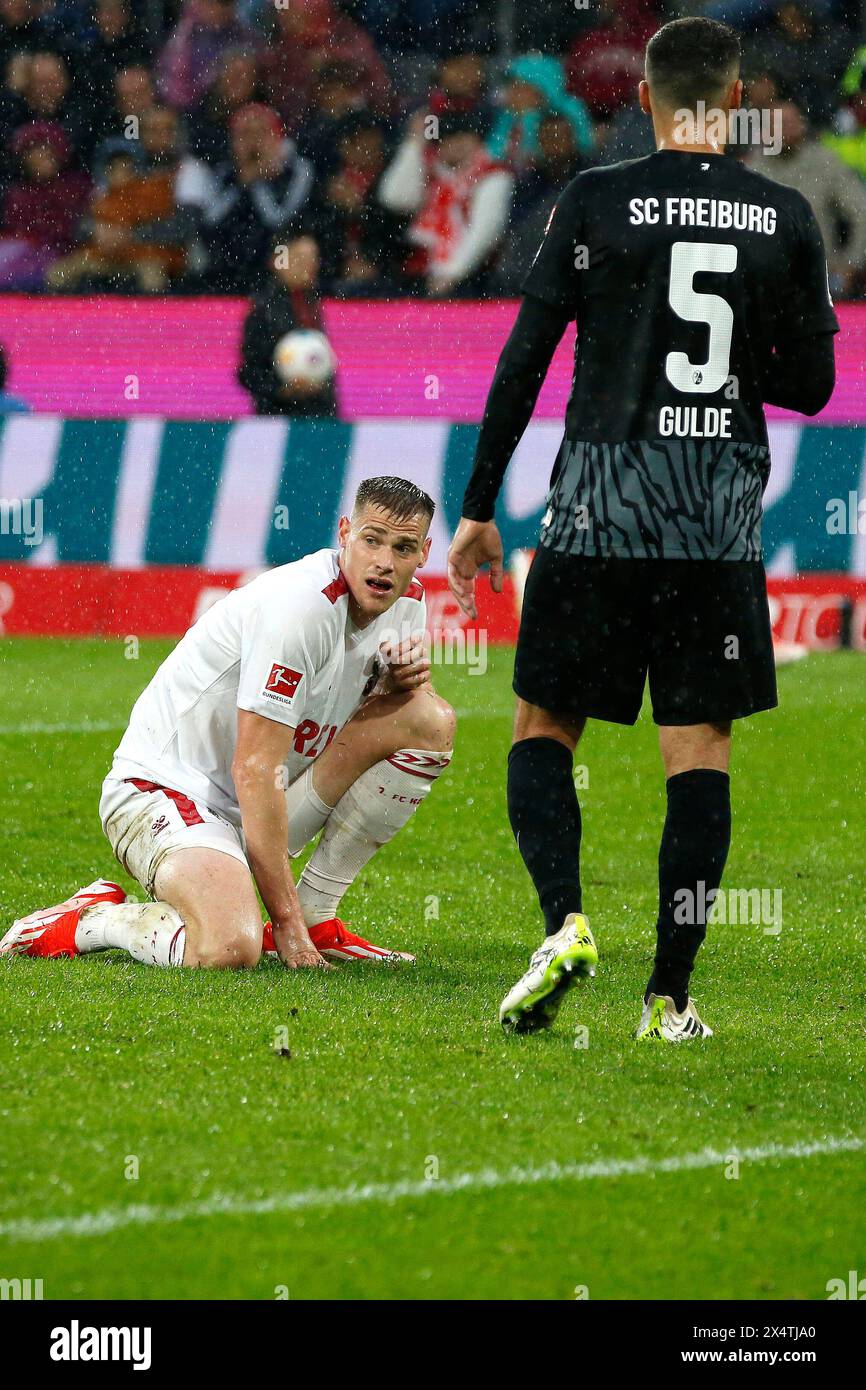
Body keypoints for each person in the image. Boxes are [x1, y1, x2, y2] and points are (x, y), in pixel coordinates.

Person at [446, 17, 837, 1042]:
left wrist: (479, 504)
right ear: (737, 91)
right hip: (713, 521)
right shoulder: (783, 214)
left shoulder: (593, 200)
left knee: (542, 727)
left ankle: (562, 921)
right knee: (696, 751)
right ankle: (668, 996)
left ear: (647, 100)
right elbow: (811, 384)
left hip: (597, 509)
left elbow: (523, 360)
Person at [3, 477, 455, 972]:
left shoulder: (405, 601)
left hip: (260, 802)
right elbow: (255, 768)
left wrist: (393, 687)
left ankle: (318, 916)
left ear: (424, 552)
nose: (385, 562)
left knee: (426, 718)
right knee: (227, 950)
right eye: (372, 540)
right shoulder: (300, 609)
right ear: (345, 532)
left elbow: (361, 716)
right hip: (167, 791)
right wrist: (284, 929)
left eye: (403, 547)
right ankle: (92, 919)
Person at [238, 233, 337, 415]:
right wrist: (281, 390)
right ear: (279, 262)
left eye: (313, 258)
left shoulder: (311, 302)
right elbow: (249, 371)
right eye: (300, 258)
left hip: (319, 415)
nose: (310, 265)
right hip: (278, 418)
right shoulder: (263, 309)